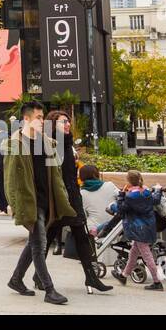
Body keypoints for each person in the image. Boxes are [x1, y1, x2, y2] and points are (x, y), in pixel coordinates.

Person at [3, 101, 76, 305]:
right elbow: (9, 181)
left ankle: (16, 279)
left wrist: (61, 195)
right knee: (39, 244)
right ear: (26, 119)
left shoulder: (47, 142)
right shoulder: (14, 144)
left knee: (34, 242)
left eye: (43, 117)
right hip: (30, 202)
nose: (42, 121)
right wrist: (14, 205)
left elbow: (56, 174)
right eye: (38, 117)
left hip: (47, 200)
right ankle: (49, 290)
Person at [42, 111, 113, 295]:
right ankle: (33, 276)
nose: (67, 124)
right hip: (59, 199)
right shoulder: (50, 145)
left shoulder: (67, 144)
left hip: (73, 197)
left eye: (68, 121)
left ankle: (91, 277)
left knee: (81, 237)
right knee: (46, 239)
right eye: (63, 122)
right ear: (52, 125)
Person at [108, 170, 165, 290]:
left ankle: (157, 282)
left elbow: (121, 209)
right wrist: (158, 190)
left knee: (147, 256)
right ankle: (124, 275)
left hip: (137, 228)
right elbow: (156, 200)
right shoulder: (146, 192)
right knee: (133, 252)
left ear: (128, 182)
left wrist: (121, 195)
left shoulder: (130, 197)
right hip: (148, 225)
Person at [78, 163, 119, 235]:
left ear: (81, 177)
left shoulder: (81, 194)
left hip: (94, 231)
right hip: (114, 229)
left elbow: (82, 216)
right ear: (97, 174)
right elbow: (122, 199)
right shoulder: (110, 185)